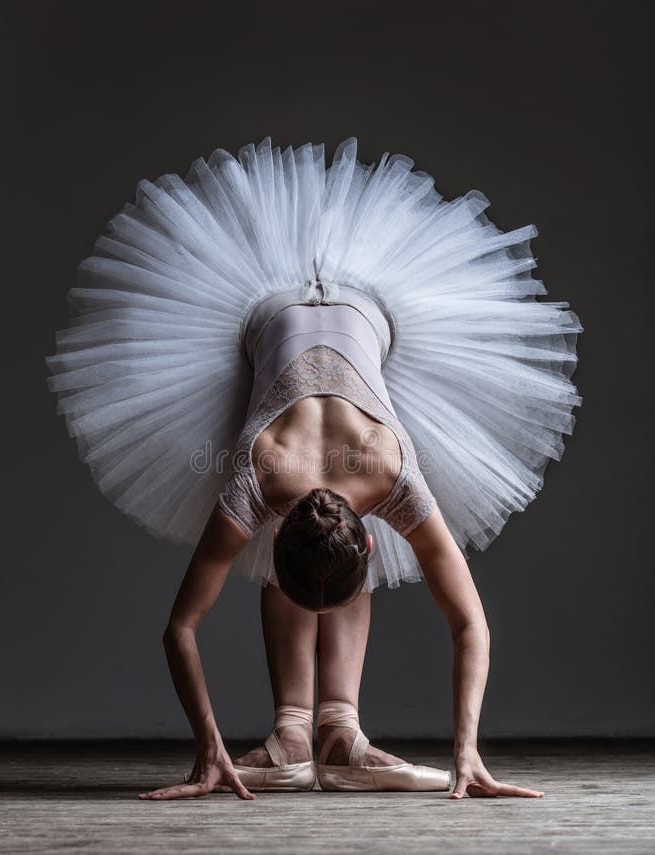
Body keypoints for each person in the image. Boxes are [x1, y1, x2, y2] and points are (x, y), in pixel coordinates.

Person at [45, 137, 582, 800]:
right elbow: (467, 620)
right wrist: (461, 750)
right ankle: (304, 733)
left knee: (318, 568)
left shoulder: (318, 475)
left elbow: (180, 627)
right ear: (365, 536)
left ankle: (328, 731)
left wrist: (469, 753)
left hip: (362, 314)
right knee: (329, 571)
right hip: (270, 319)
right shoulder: (319, 474)